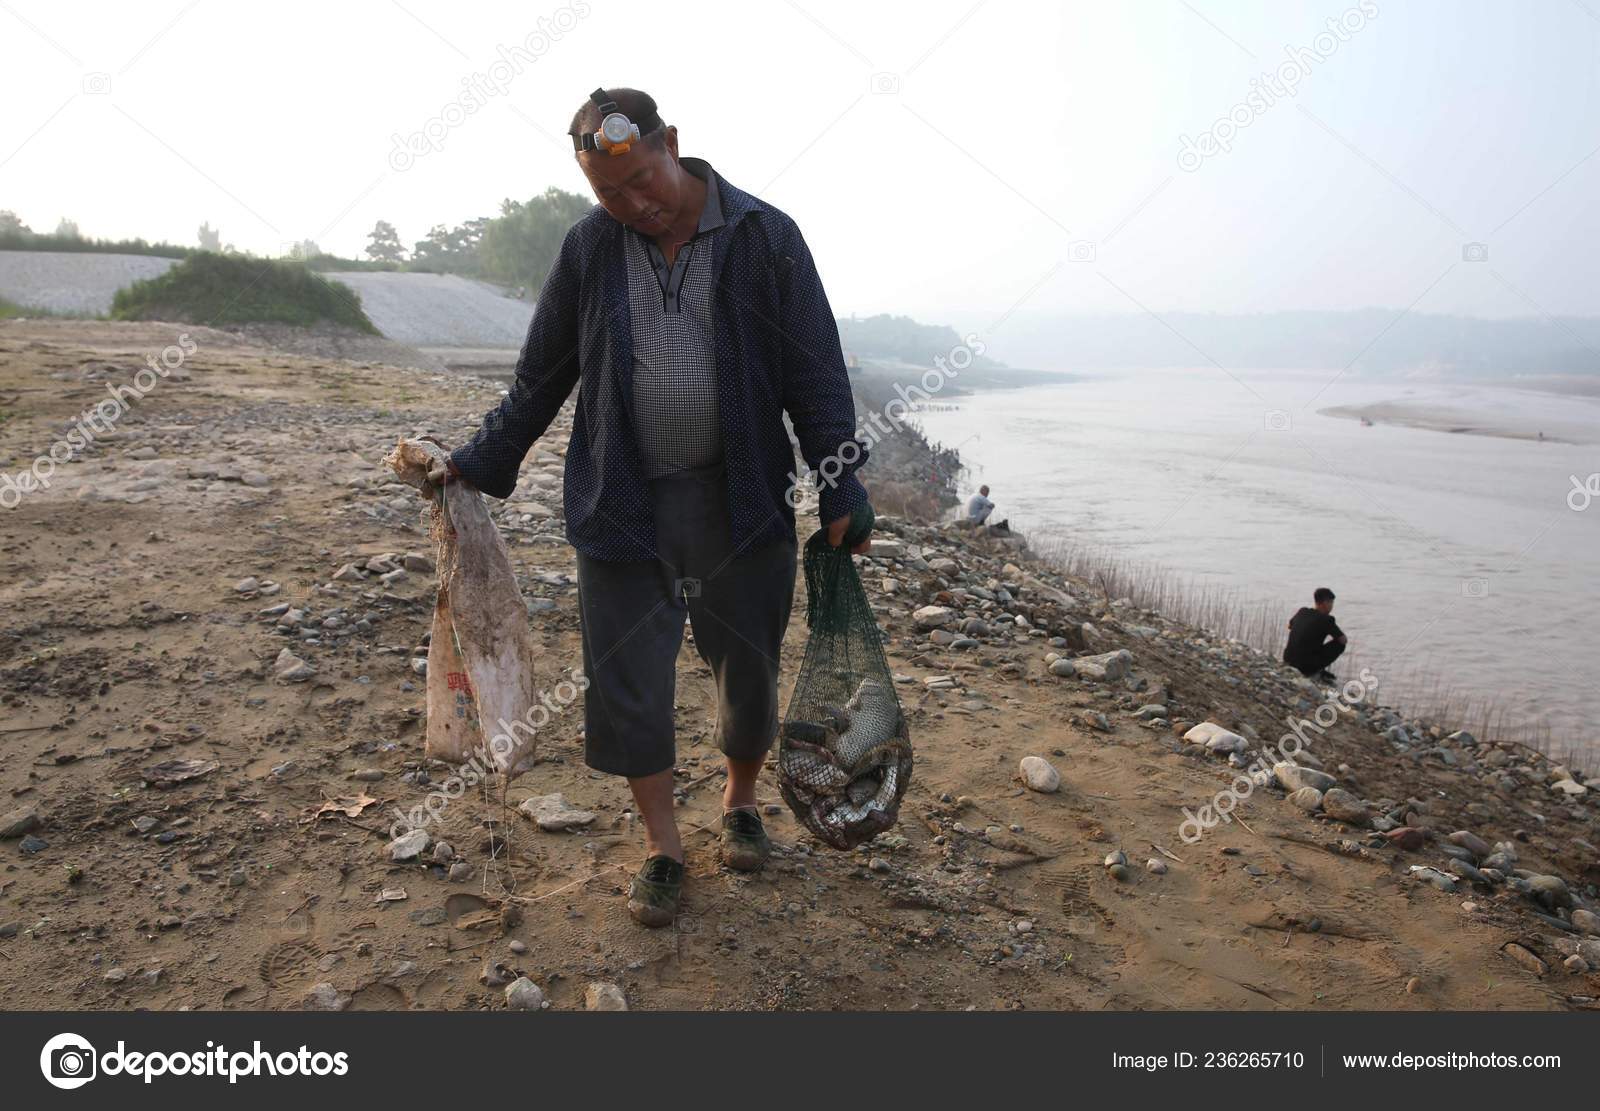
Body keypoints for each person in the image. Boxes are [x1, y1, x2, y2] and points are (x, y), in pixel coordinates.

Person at [431, 87, 872, 928]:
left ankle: (741, 802)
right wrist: (480, 460)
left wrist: (841, 480)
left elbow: (817, 374)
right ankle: (663, 847)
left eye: (642, 182)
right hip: (622, 503)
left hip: (742, 502)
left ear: (673, 141)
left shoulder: (765, 237)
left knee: (749, 667)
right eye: (609, 194)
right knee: (628, 683)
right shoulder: (591, 250)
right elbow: (542, 375)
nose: (632, 205)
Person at [1283, 587, 1347, 682]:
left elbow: (1289, 626)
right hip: (1305, 666)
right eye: (1331, 603)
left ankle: (1314, 665)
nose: (1332, 606)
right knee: (1340, 645)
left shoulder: (1302, 611)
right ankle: (1315, 670)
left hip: (1288, 660)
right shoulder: (1327, 620)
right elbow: (1343, 639)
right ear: (1325, 603)